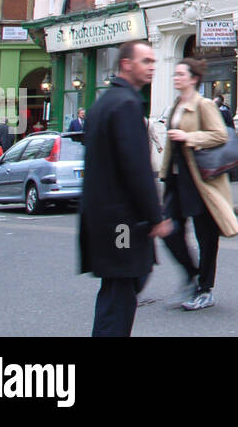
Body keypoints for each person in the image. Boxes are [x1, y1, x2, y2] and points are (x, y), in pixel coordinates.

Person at [78, 41, 172, 337]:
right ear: (127, 64)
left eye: (154, 61)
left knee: (122, 286)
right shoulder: (127, 105)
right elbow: (136, 168)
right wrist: (155, 216)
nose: (152, 66)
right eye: (145, 61)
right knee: (121, 289)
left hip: (105, 217)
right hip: (121, 224)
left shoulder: (103, 103)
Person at [160, 58, 238, 310]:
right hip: (175, 178)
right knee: (168, 231)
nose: (176, 78)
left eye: (181, 74)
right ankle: (191, 274)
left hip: (199, 179)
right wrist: (164, 173)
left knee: (205, 236)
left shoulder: (204, 105)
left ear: (193, 78)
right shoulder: (176, 105)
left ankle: (205, 289)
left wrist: (188, 136)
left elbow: (219, 134)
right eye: (175, 74)